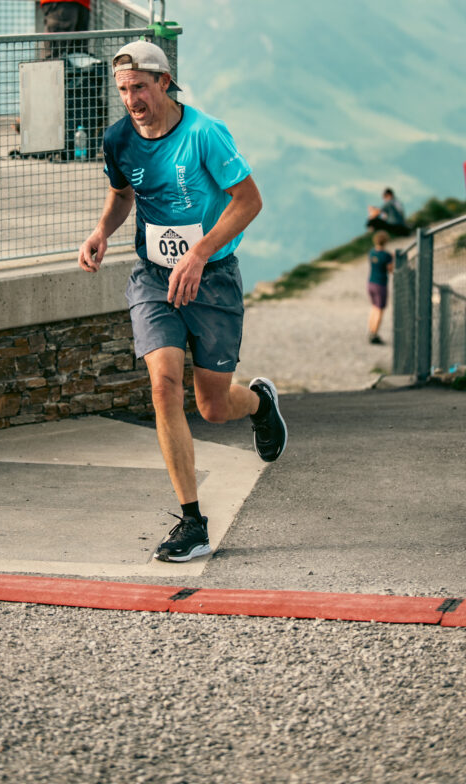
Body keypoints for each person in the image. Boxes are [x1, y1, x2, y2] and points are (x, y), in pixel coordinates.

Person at [78, 40, 287, 563]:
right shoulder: (118, 140)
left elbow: (249, 201)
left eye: (140, 88)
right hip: (153, 277)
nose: (131, 100)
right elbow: (124, 194)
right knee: (163, 385)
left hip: (212, 277)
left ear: (164, 82)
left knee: (213, 407)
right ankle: (192, 522)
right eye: (124, 90)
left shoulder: (205, 133)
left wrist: (199, 252)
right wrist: (102, 231)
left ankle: (260, 403)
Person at [367, 231, 394, 344]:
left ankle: (370, 330)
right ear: (386, 241)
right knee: (380, 309)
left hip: (370, 283)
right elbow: (391, 270)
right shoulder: (386, 255)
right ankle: (374, 334)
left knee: (374, 307)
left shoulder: (372, 252)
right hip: (380, 284)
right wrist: (393, 259)